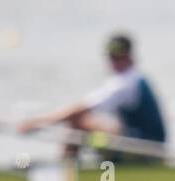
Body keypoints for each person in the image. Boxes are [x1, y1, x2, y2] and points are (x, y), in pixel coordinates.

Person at [18, 34, 166, 150]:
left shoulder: (125, 83)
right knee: (85, 121)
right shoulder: (134, 76)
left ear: (128, 56)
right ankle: (79, 168)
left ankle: (66, 169)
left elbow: (80, 109)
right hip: (140, 139)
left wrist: (38, 122)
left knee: (77, 121)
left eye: (116, 57)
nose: (112, 62)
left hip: (147, 148)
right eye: (110, 57)